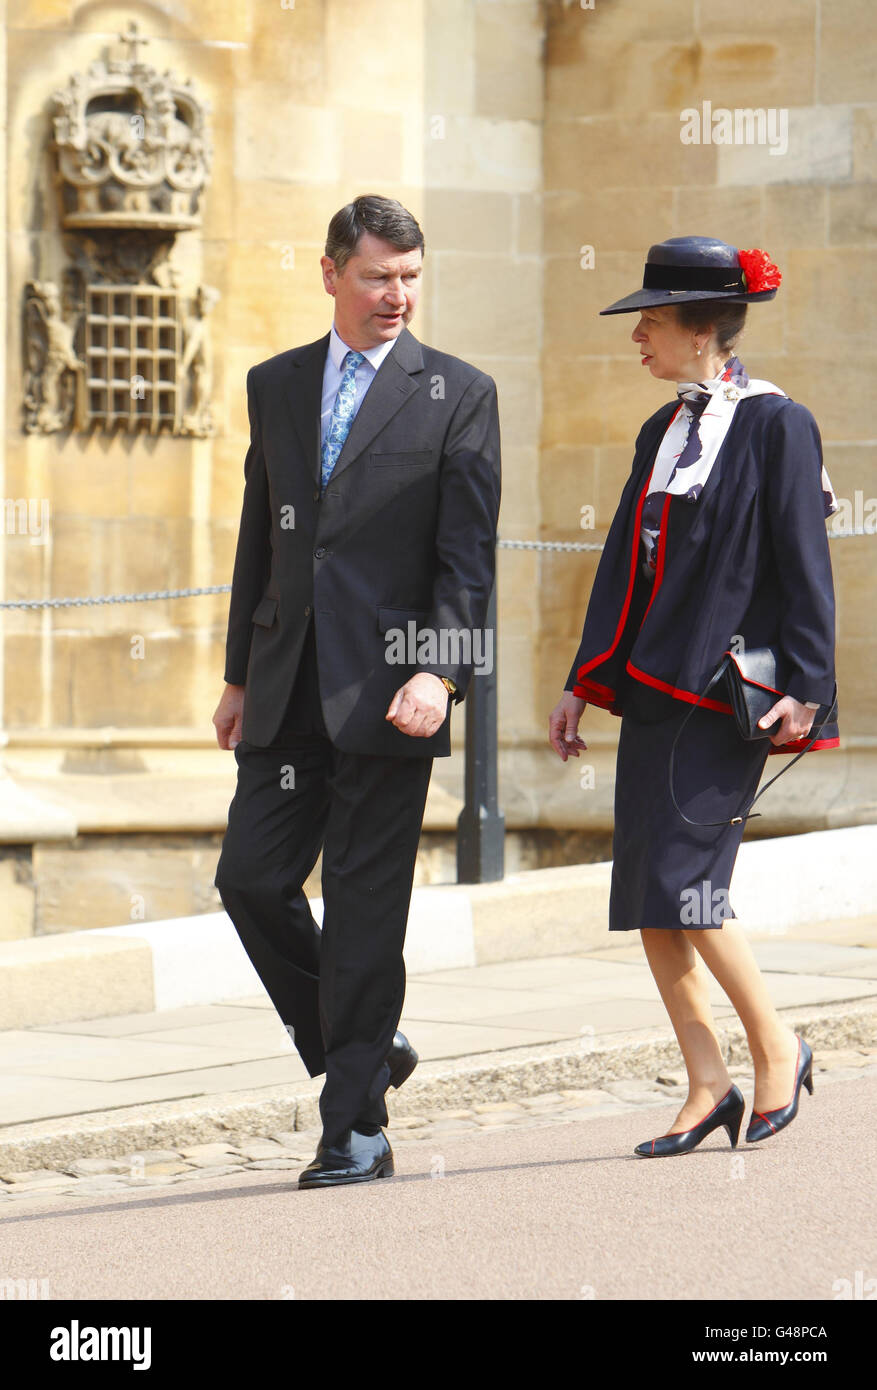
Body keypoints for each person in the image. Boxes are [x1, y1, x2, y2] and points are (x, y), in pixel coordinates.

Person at [213, 196, 501, 1187]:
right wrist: (237, 674)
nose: (397, 296)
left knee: (365, 907)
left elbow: (469, 560)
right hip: (287, 683)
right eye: (378, 276)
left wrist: (439, 667)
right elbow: (264, 531)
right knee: (248, 881)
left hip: (393, 692)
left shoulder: (458, 393)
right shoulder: (277, 385)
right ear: (331, 271)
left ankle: (356, 1129)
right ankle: (363, 1048)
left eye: (411, 277)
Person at [549, 237, 838, 1156]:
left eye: (652, 320)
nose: (637, 335)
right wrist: (582, 682)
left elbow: (804, 567)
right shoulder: (662, 428)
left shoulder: (775, 424)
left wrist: (806, 690)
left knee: (688, 887)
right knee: (648, 891)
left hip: (725, 695)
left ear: (702, 329)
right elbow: (622, 570)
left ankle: (777, 1047)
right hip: (653, 692)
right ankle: (706, 1080)